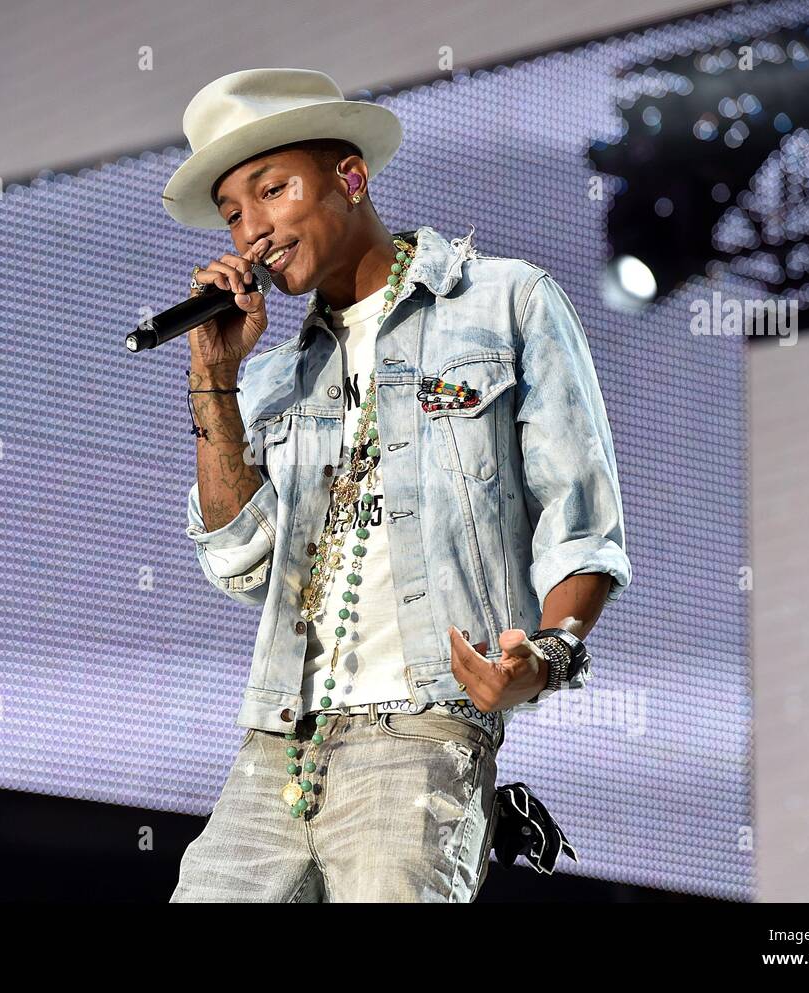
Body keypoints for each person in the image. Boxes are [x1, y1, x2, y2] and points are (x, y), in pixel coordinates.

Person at [165, 68, 632, 902]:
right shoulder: (268, 379)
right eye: (235, 212)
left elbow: (581, 519)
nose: (254, 228)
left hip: (418, 735)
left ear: (351, 176)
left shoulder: (503, 302)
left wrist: (547, 656)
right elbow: (237, 562)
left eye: (273, 189)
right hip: (280, 743)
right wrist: (216, 379)